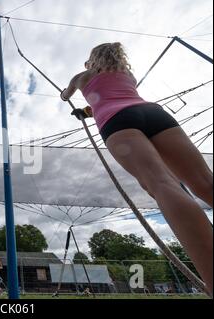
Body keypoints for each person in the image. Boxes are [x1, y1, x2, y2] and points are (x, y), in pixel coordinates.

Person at [61, 42, 213, 297]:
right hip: (154, 113)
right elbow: (112, 94)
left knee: (162, 184)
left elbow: (75, 95)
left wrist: (66, 95)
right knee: (205, 182)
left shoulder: (82, 76)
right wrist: (86, 112)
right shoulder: (126, 75)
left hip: (118, 122)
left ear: (91, 60)